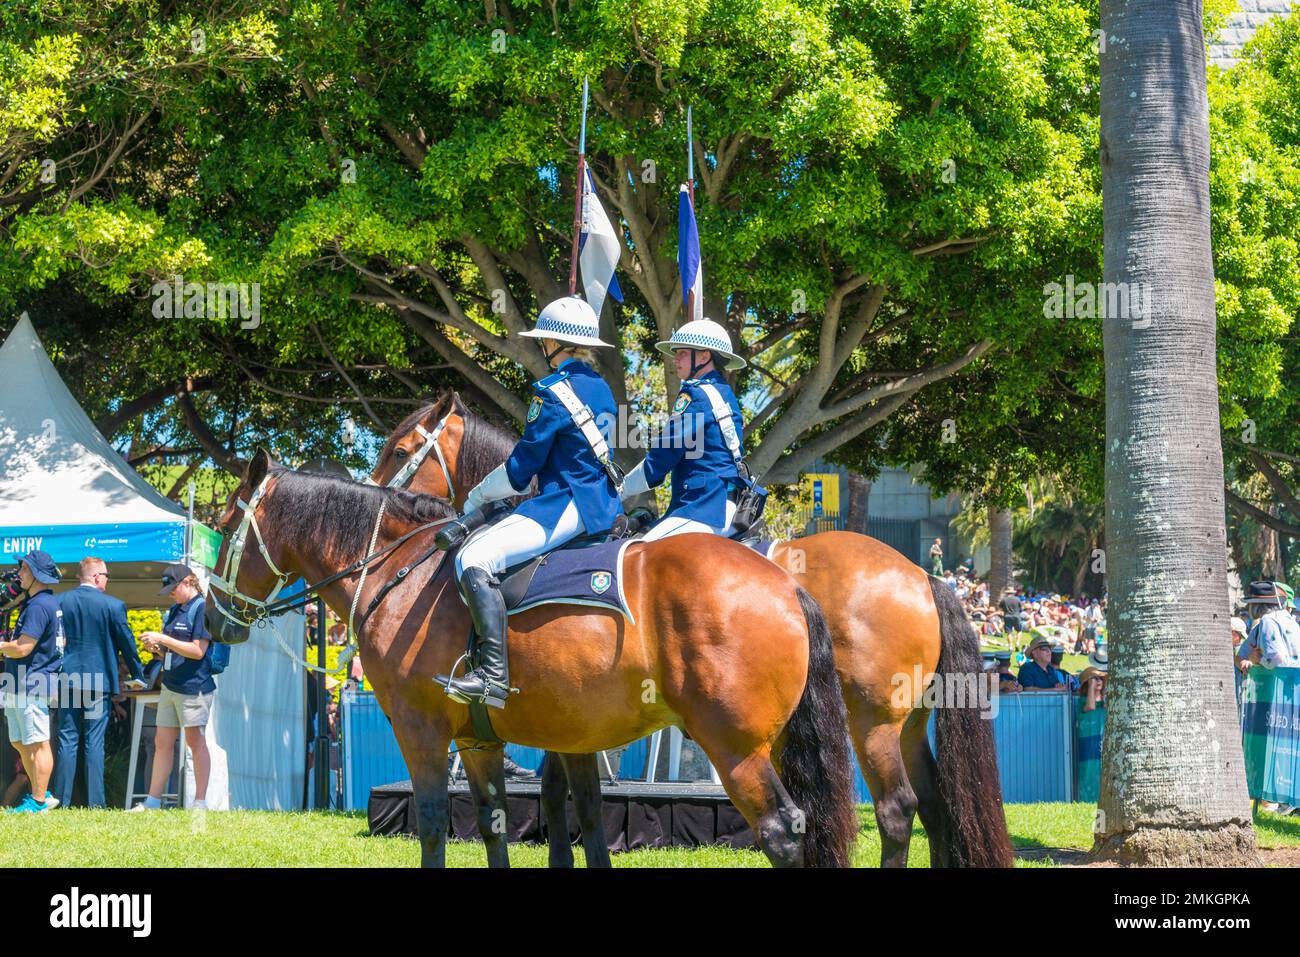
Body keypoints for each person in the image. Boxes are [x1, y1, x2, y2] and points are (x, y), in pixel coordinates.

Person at [433, 297, 623, 710]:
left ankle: (492, 677)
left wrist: (480, 493)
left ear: (556, 342)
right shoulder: (602, 389)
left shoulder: (553, 392)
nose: (542, 348)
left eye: (545, 341)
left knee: (473, 559)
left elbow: (522, 469)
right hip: (603, 505)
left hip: (565, 504)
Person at [619, 319, 753, 540]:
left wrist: (620, 490)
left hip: (702, 507)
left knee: (635, 552)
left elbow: (663, 456)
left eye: (682, 352)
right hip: (730, 506)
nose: (675, 358)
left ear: (703, 356)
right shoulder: (722, 392)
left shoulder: (695, 394)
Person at [52, 557, 147, 808]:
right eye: (105, 575)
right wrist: (138, 674)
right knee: (94, 741)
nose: (107, 579)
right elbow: (127, 643)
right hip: (98, 682)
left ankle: (61, 801)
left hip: (68, 679)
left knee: (66, 739)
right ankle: (96, 804)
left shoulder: (60, 601)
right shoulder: (113, 606)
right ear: (96, 577)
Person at [129, 564, 215, 810]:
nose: (170, 594)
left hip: (194, 686)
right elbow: (173, 648)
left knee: (195, 742)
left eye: (173, 588)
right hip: (171, 683)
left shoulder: (202, 608)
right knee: (161, 742)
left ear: (188, 582)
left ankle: (200, 802)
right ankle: (153, 802)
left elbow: (198, 651)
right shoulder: (176, 610)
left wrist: (163, 639)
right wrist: (158, 649)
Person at [0, 551, 65, 812]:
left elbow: (24, 648)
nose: (20, 574)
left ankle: (39, 800)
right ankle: (40, 795)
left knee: (38, 742)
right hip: (22, 682)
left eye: (24, 569)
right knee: (20, 741)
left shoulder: (40, 606)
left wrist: (2, 646)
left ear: (37, 574)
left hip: (32, 682)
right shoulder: (38, 603)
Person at [1242, 580, 1300, 670]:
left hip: (1286, 681)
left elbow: (1277, 662)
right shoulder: (1287, 618)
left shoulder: (1268, 620)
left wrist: (1258, 658)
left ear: (1256, 605)